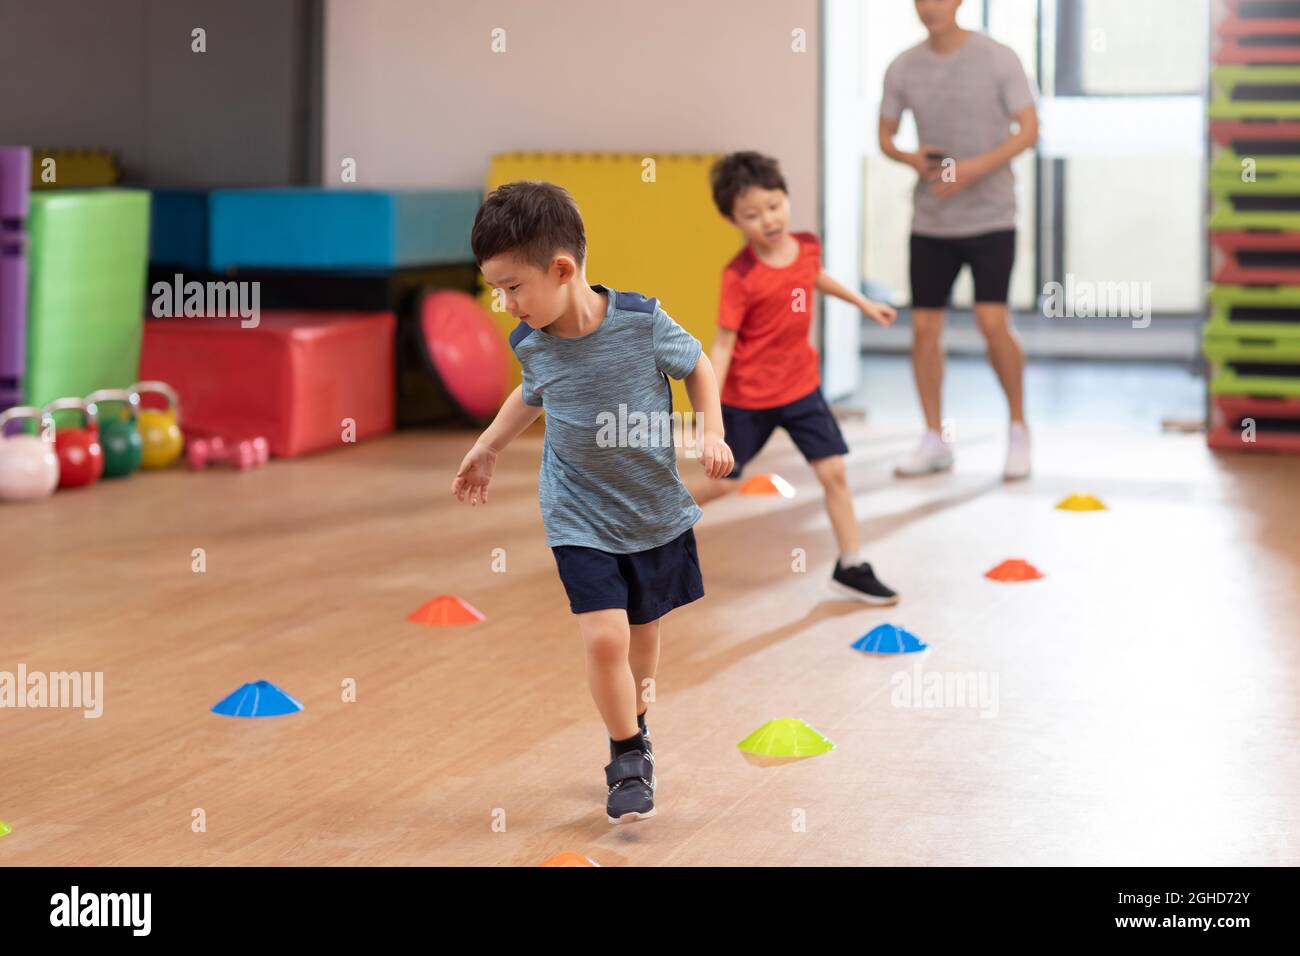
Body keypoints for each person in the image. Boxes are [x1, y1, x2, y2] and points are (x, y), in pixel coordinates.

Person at [452, 181, 734, 824]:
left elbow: (697, 366)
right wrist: (489, 447)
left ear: (562, 269)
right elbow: (532, 393)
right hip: (577, 512)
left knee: (641, 639)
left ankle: (635, 723)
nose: (504, 304)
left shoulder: (640, 323)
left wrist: (710, 430)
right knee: (605, 638)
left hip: (651, 509)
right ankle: (626, 752)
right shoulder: (531, 342)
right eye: (495, 290)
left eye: (512, 287)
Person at [696, 151, 901, 605]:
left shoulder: (806, 245)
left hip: (801, 388)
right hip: (748, 397)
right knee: (723, 482)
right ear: (734, 220)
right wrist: (710, 419)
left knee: (834, 474)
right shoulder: (739, 277)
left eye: (774, 206)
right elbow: (723, 344)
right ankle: (654, 520)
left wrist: (864, 304)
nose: (768, 220)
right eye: (752, 214)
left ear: (786, 198)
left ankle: (851, 566)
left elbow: (814, 277)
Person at [878, 0, 1039, 479]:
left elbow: (1028, 130)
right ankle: (934, 438)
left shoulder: (998, 57)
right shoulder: (903, 67)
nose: (930, 7)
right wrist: (911, 158)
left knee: (993, 322)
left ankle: (1017, 429)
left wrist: (970, 169)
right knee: (925, 329)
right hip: (931, 221)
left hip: (991, 217)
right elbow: (885, 136)